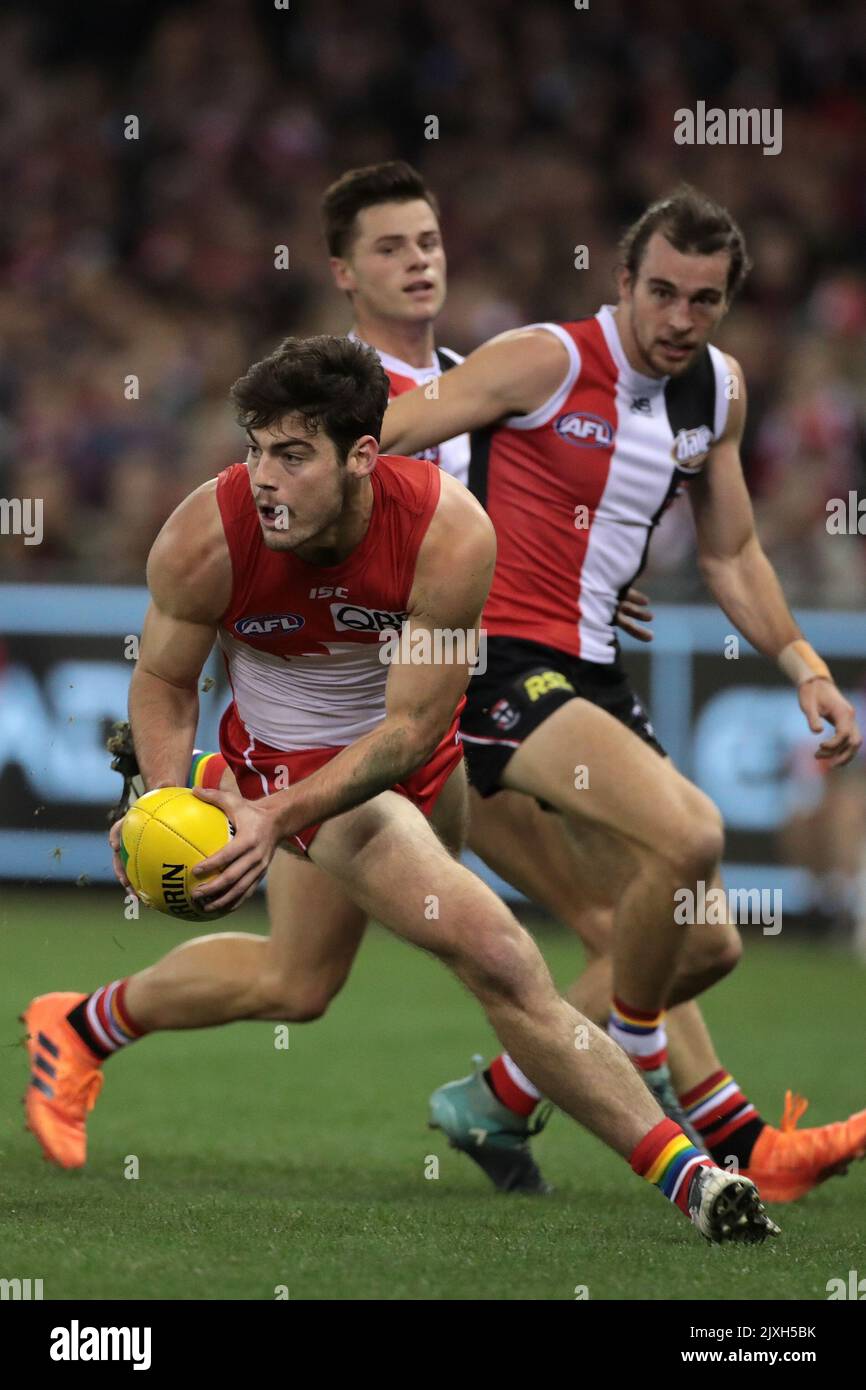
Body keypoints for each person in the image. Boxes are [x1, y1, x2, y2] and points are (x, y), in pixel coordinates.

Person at [22, 333, 777, 1244]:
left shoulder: (448, 531)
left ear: (362, 457)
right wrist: (159, 796)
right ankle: (697, 1180)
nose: (264, 479)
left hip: (418, 754)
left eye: (293, 455)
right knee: (499, 955)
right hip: (294, 771)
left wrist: (269, 822)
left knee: (299, 982)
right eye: (255, 449)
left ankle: (80, 1024)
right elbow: (165, 678)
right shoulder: (204, 535)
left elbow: (413, 728)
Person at [376, 183, 866, 1202]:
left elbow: (731, 554)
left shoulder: (716, 393)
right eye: (662, 293)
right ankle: (660, 1072)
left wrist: (803, 666)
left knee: (706, 939)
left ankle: (502, 1097)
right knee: (689, 835)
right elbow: (383, 439)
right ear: (622, 281)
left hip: (592, 675)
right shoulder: (544, 360)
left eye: (704, 300)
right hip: (497, 669)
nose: (680, 319)